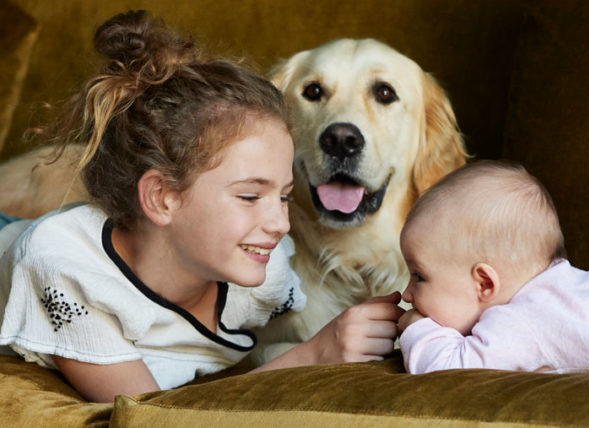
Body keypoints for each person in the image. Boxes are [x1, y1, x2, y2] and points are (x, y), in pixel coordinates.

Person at [0, 10, 404, 403]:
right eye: (250, 196)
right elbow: (147, 414)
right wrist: (314, 353)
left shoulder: (263, 273)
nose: (282, 223)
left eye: (283, 196)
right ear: (162, 197)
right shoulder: (66, 272)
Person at [397, 160, 589, 374]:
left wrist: (416, 327)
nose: (407, 294)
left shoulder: (522, 319)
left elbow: (449, 370)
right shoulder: (564, 291)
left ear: (484, 283)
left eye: (419, 276)